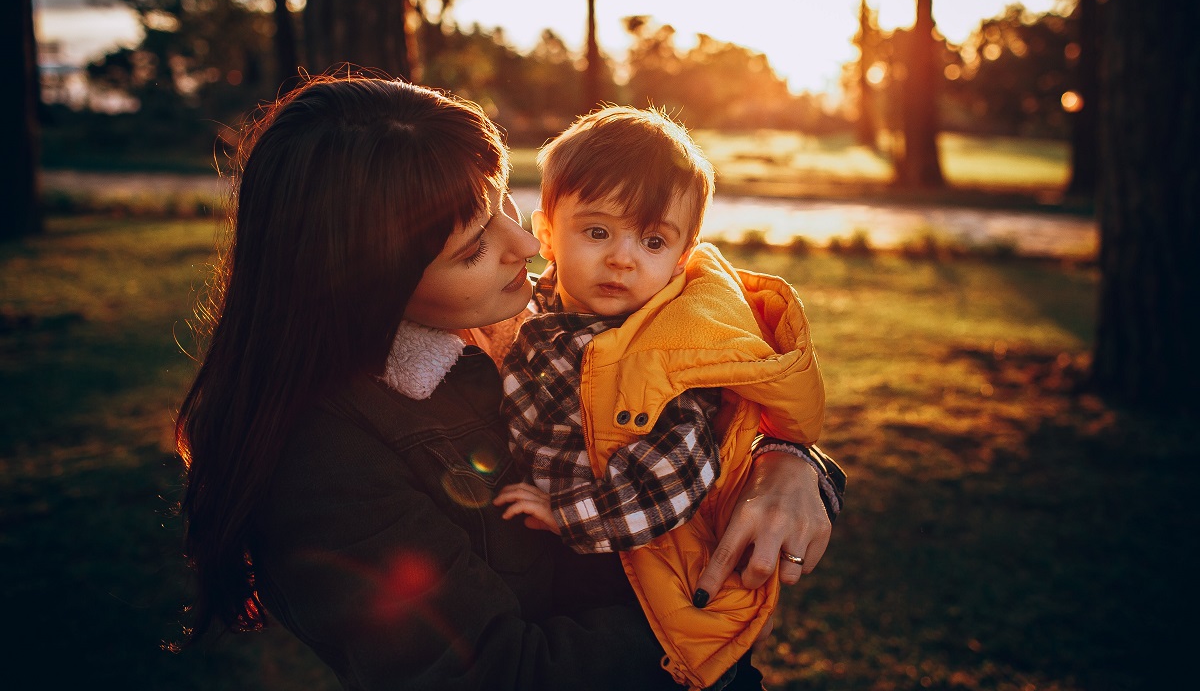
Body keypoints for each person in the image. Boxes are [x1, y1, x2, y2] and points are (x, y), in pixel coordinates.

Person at [175, 75, 841, 691]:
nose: (526, 247)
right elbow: (500, 673)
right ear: (368, 285)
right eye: (472, 248)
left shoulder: (538, 316)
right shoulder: (321, 462)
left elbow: (705, 385)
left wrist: (785, 459)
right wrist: (705, 632)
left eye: (504, 205)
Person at [492, 107, 842, 690]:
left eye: (652, 240)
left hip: (650, 574)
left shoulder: (664, 350)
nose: (623, 257)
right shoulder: (543, 309)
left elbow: (678, 473)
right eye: (597, 231)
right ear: (547, 231)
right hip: (574, 571)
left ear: (683, 256)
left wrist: (569, 516)